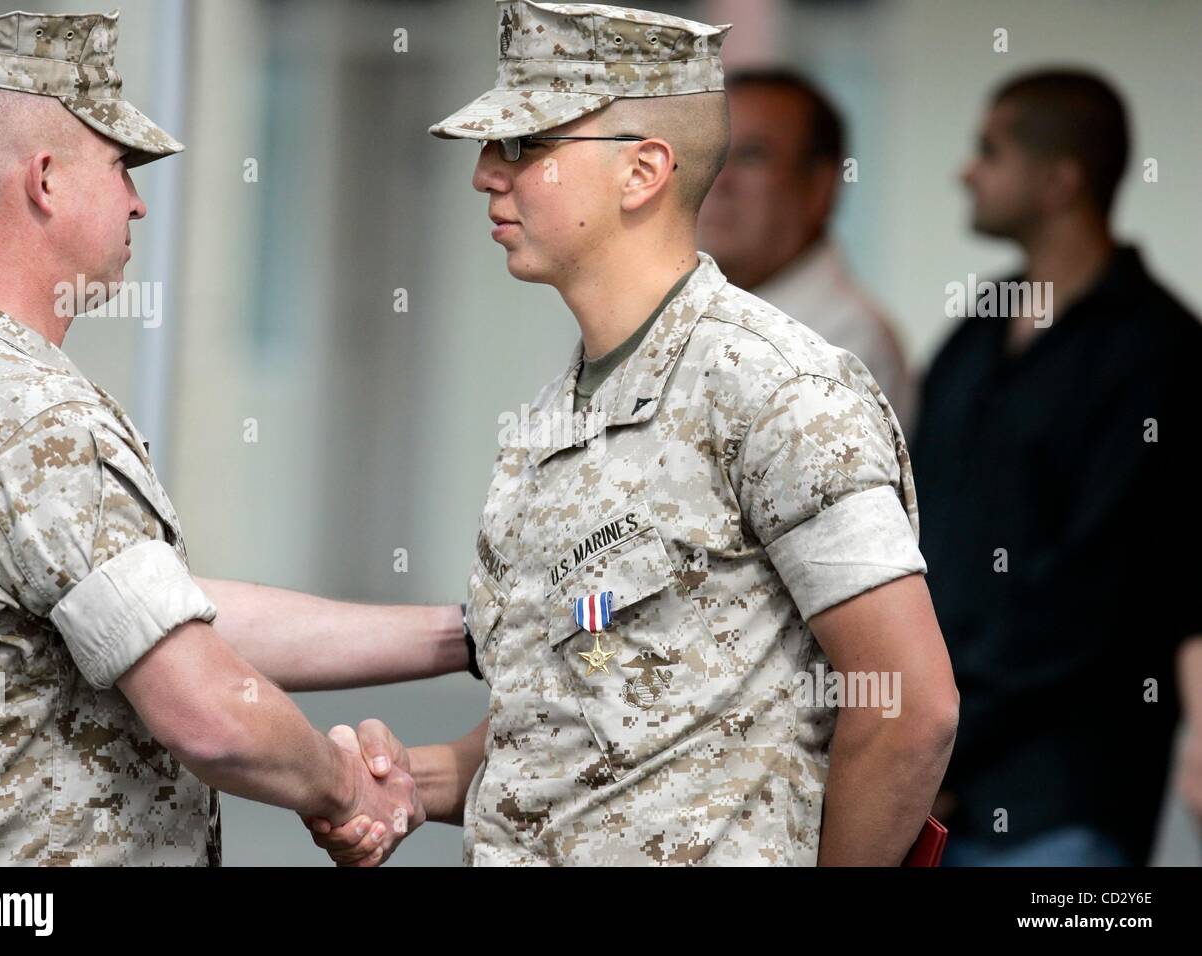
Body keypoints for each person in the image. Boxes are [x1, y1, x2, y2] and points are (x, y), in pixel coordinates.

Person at [314, 0, 958, 867]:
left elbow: (911, 709)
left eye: (525, 146)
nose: (484, 175)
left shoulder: (776, 389)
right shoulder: (555, 417)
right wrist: (409, 785)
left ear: (643, 170)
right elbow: (574, 724)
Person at [0, 9, 450, 866]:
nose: (139, 201)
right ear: (45, 180)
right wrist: (345, 788)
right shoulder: (38, 424)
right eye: (119, 165)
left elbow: (162, 616)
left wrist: (460, 636)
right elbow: (207, 709)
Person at [913, 69, 1202, 866]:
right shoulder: (976, 334)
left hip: (1061, 799)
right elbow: (911, 528)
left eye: (989, 150)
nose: (966, 172)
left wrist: (939, 745)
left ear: (1059, 179)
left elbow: (1094, 594)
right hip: (936, 786)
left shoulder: (1157, 351)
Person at [697, 69, 914, 425]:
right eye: (708, 153)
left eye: (751, 156)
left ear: (819, 187)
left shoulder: (839, 347)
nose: (718, 181)